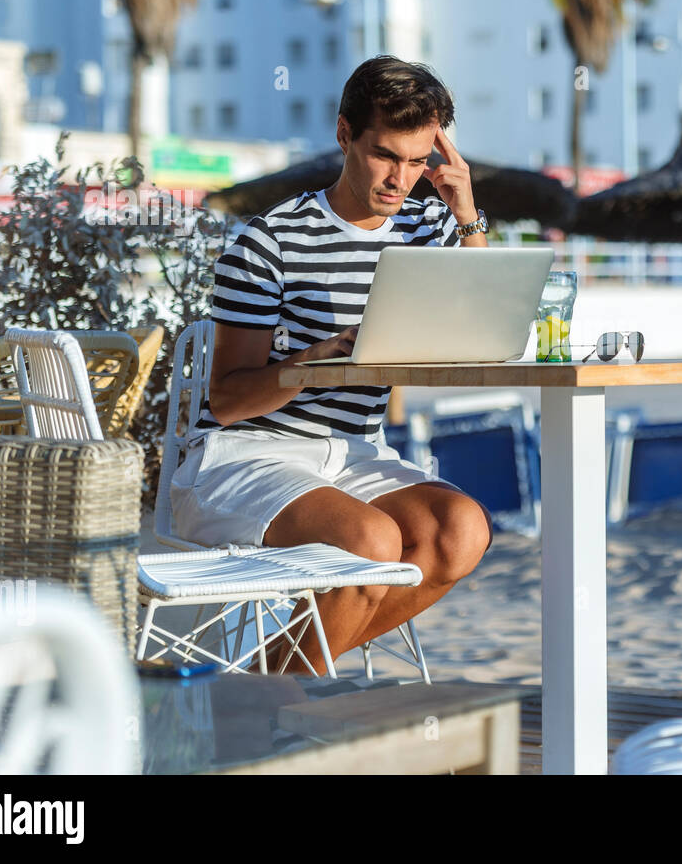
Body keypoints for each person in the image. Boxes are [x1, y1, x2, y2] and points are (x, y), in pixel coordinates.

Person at [170, 55, 495, 675]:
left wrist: (466, 212)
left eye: (418, 159)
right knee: (369, 543)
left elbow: (485, 331)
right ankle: (283, 704)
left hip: (353, 454)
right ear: (344, 134)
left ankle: (263, 690)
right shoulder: (270, 241)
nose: (401, 179)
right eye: (385, 155)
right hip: (244, 456)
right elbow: (229, 402)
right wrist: (311, 360)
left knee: (461, 530)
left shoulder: (428, 230)